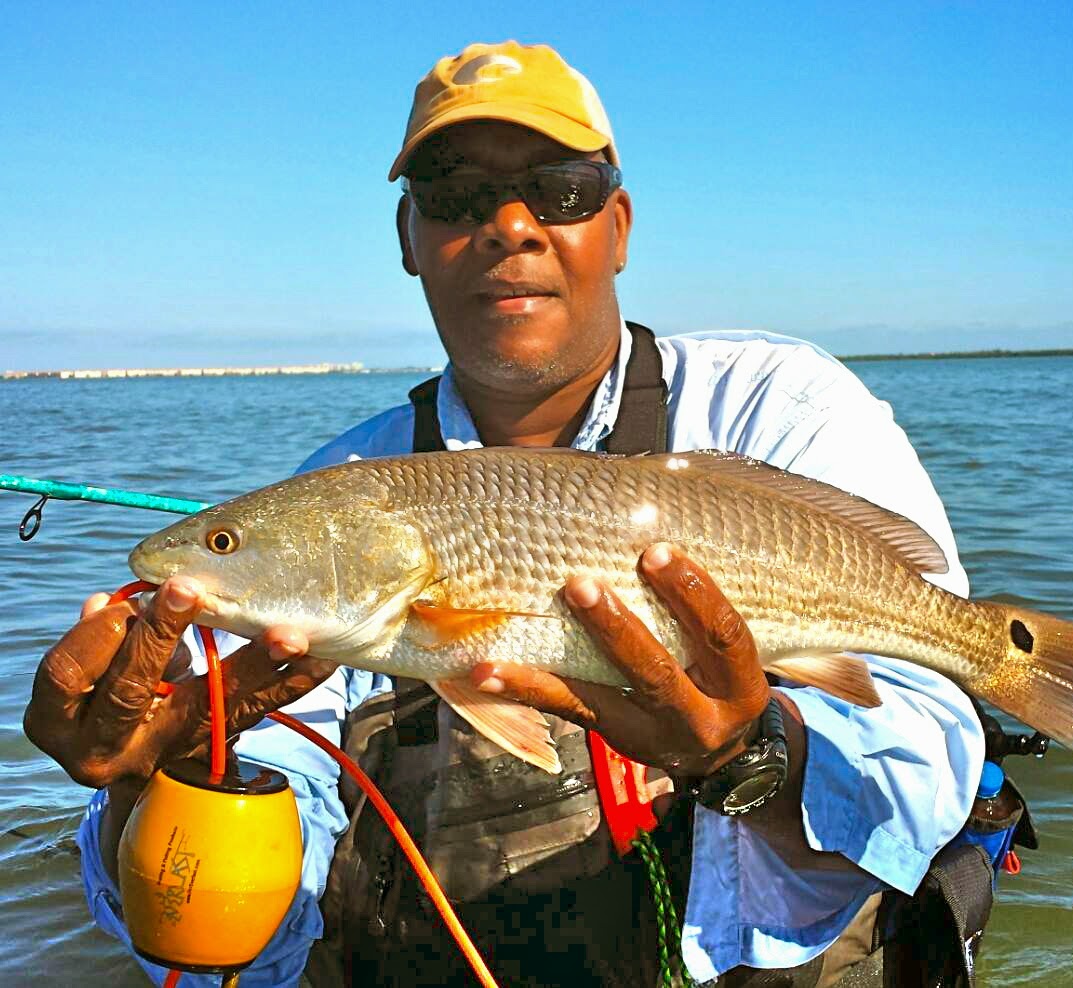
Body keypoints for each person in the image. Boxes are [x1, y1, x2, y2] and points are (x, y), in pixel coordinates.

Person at [25, 41, 985, 987]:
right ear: (408, 239)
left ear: (617, 225)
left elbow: (930, 749)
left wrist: (752, 751)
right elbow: (252, 916)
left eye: (559, 189)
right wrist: (179, 778)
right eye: (454, 195)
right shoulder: (338, 485)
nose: (510, 226)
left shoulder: (781, 406)